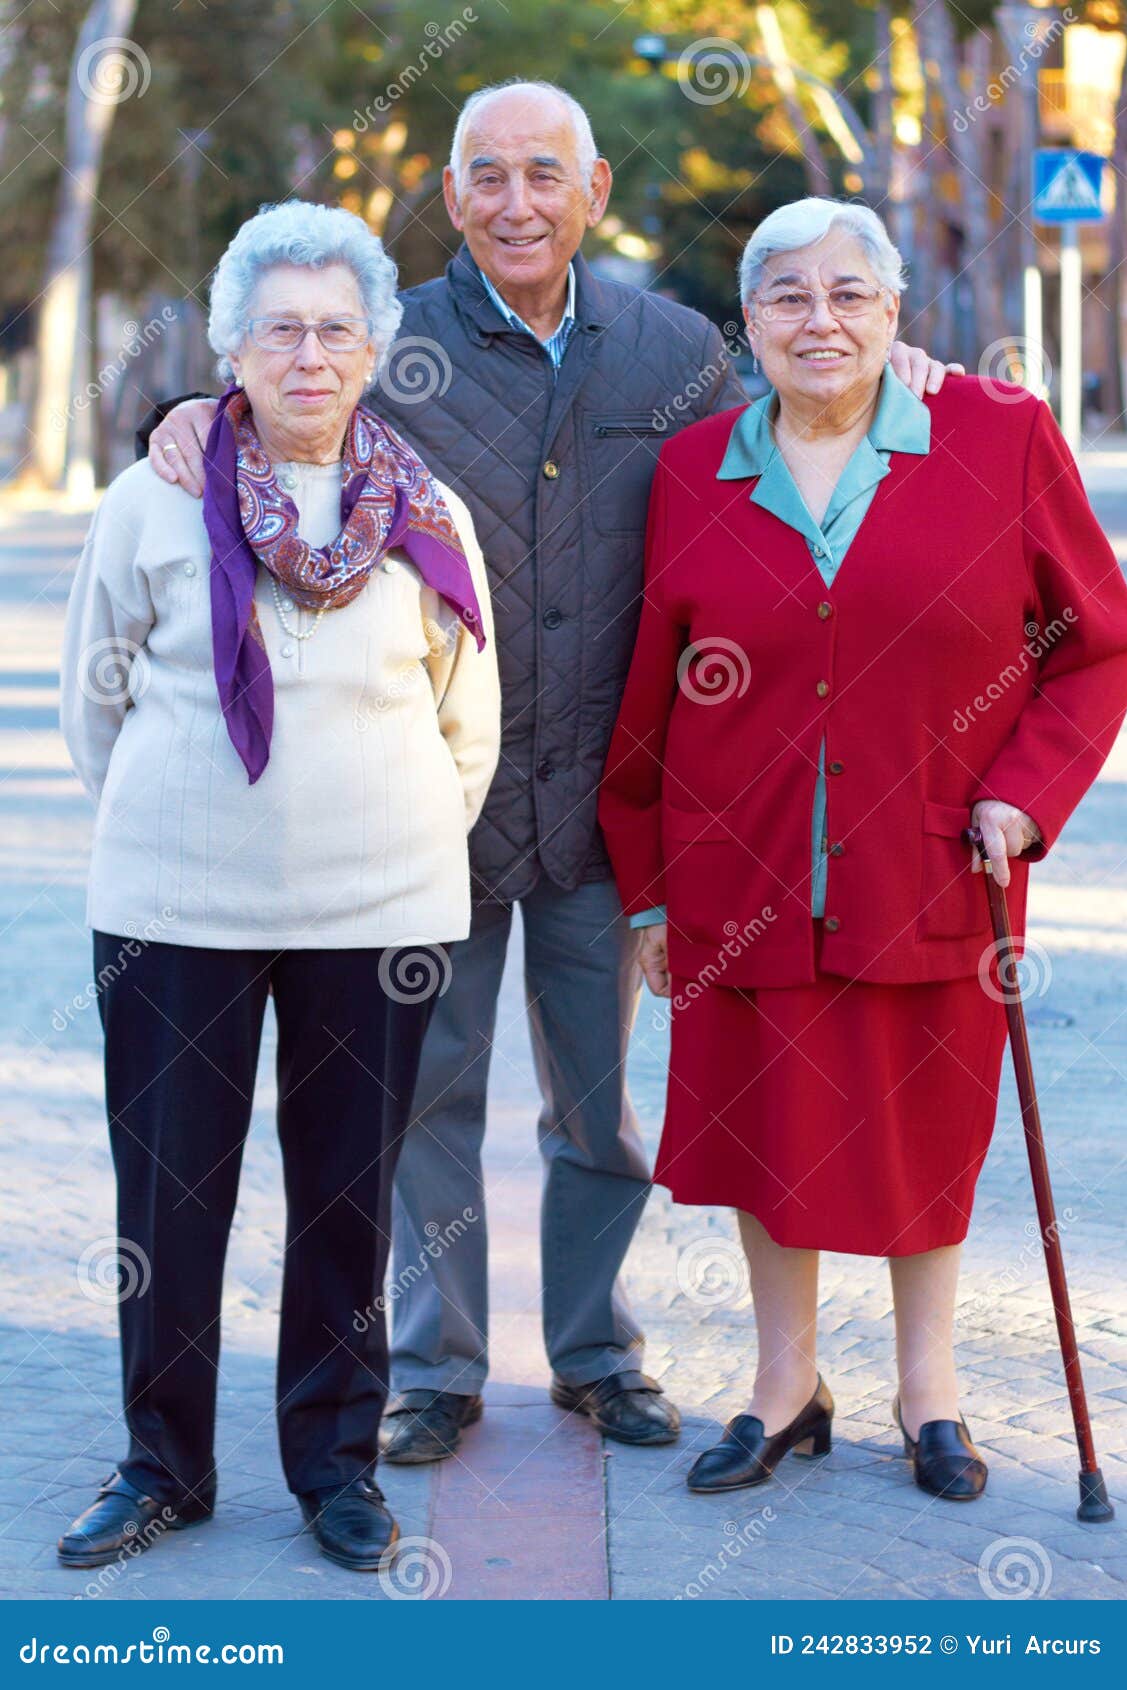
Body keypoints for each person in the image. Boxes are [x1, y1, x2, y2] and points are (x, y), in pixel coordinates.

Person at [142, 84, 957, 1466]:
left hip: (610, 804)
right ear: (452, 197)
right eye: (488, 177)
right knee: (421, 1100)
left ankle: (593, 1351)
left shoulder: (675, 348)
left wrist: (921, 373)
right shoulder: (387, 337)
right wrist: (186, 413)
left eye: (544, 175)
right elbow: (276, 397)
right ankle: (433, 1368)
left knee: (598, 1108)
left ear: (589, 195)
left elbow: (811, 397)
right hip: (428, 807)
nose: (517, 202)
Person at [599, 196, 1127, 1501]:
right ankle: (784, 1389)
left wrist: (1024, 792)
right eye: (785, 295)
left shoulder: (994, 438)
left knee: (919, 1131)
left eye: (847, 294)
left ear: (895, 315)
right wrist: (650, 893)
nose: (816, 319)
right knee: (765, 1137)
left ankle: (928, 1390)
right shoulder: (693, 473)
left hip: (934, 862)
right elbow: (648, 697)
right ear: (748, 326)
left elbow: (1096, 641)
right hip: (742, 874)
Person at [57, 202, 499, 1572]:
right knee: (170, 1195)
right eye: (280, 329)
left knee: (345, 1201)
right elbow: (97, 697)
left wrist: (396, 838)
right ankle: (163, 1466)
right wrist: (178, 821)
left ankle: (334, 1466)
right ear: (232, 350)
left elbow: (463, 720)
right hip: (176, 914)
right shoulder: (149, 501)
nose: (309, 353)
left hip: (376, 921)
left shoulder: (429, 514)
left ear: (375, 351)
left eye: (335, 329)